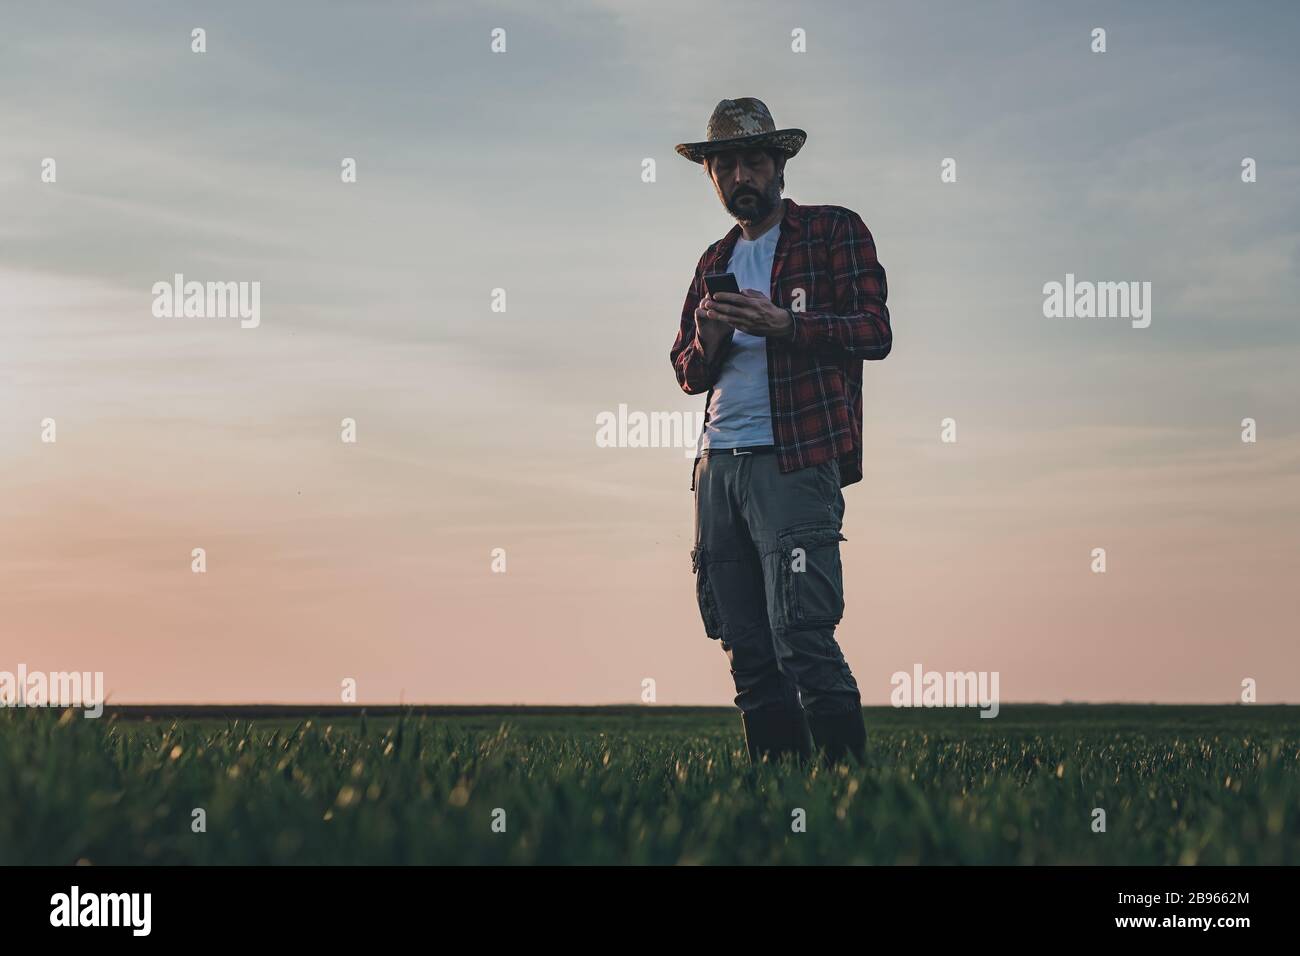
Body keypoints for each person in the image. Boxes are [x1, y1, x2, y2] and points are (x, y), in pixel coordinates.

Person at [670, 97, 893, 767]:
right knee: (743, 640)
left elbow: (874, 332)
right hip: (718, 465)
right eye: (725, 164)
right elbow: (685, 371)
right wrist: (707, 342)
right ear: (712, 174)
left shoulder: (833, 232)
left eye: (754, 160)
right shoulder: (715, 256)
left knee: (801, 631)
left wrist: (786, 326)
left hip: (794, 459)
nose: (741, 175)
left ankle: (849, 788)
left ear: (780, 165)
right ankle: (780, 790)